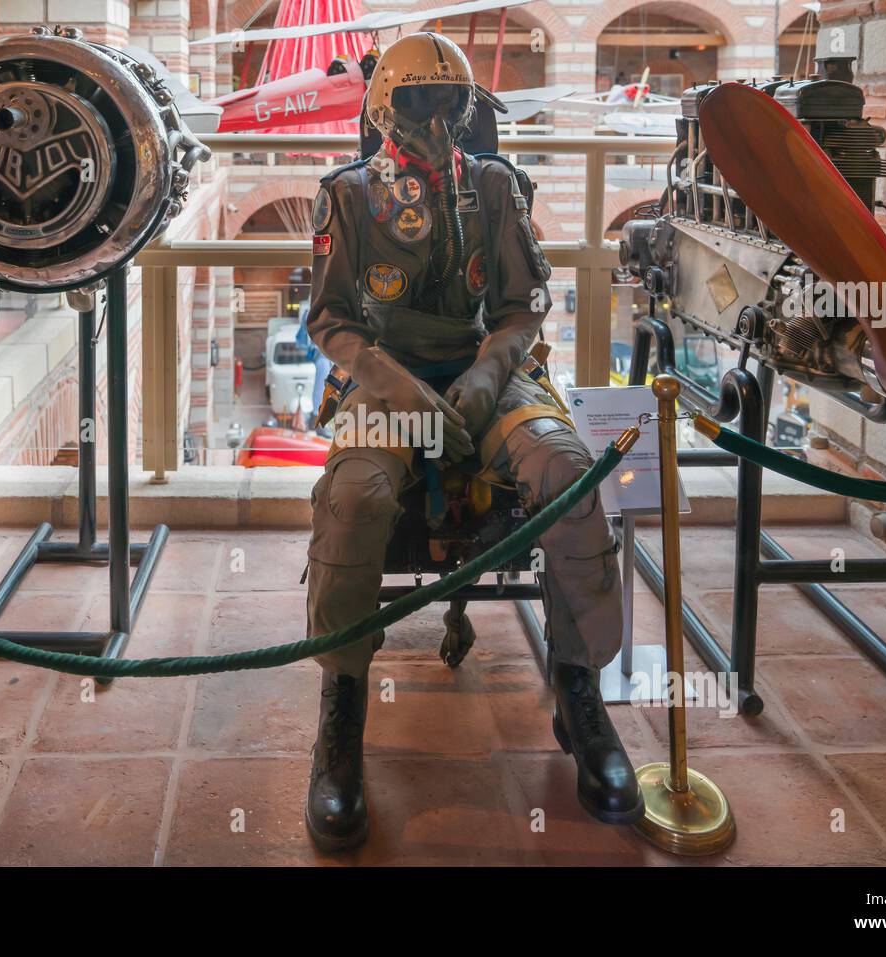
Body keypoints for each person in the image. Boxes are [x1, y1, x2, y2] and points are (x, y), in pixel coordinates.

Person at [302, 32, 642, 851]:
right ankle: (342, 702)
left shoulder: (494, 187)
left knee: (566, 469)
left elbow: (523, 307)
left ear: (467, 107)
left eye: (447, 100)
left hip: (491, 372)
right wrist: (396, 385)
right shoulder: (348, 196)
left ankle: (579, 686)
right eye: (415, 100)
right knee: (353, 495)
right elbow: (332, 320)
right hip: (386, 382)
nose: (433, 117)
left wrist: (490, 371)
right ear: (384, 109)